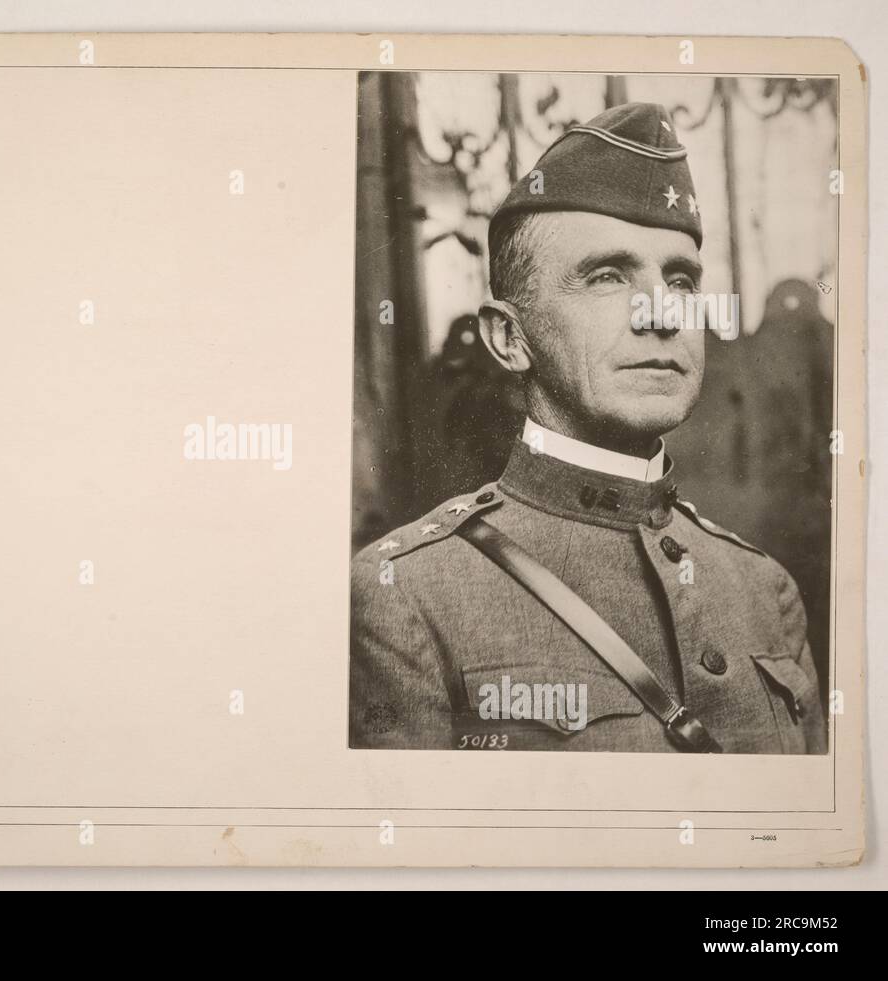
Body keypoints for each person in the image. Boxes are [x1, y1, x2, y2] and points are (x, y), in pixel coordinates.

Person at [349, 102, 827, 754]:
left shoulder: (763, 590)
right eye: (606, 277)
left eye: (681, 279)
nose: (662, 313)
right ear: (510, 337)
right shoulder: (406, 597)